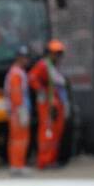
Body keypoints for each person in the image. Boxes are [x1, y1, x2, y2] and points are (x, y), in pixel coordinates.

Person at [29, 39, 69, 169]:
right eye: (55, 53)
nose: (58, 56)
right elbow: (32, 77)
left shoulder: (54, 67)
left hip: (56, 104)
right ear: (49, 53)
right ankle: (44, 161)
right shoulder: (43, 65)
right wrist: (41, 90)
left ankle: (51, 159)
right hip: (47, 104)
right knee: (47, 132)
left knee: (55, 133)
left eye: (59, 53)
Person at [4, 45, 31, 175]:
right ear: (20, 58)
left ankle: (17, 165)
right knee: (19, 139)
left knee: (17, 139)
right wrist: (21, 109)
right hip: (18, 110)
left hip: (17, 110)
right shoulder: (16, 73)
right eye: (24, 58)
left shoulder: (16, 72)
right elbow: (16, 93)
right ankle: (17, 165)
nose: (26, 60)